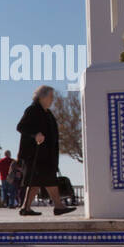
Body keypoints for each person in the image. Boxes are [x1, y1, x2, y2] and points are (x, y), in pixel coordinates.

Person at [16, 85, 74, 216]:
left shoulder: (47, 112)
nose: (53, 99)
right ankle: (58, 206)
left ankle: (26, 208)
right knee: (47, 179)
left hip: (46, 155)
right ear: (42, 97)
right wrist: (35, 135)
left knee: (37, 181)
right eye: (51, 96)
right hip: (35, 154)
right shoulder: (32, 110)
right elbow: (21, 127)